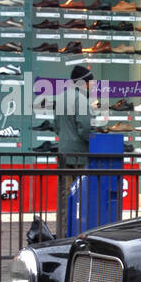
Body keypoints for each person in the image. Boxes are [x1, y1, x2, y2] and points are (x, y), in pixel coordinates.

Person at [54, 64, 95, 236]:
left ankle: (63, 234)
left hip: (63, 152)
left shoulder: (61, 98)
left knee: (65, 198)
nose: (92, 86)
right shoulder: (81, 100)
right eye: (91, 82)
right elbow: (85, 127)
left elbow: (56, 126)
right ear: (83, 83)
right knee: (82, 197)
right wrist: (92, 138)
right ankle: (80, 233)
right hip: (79, 155)